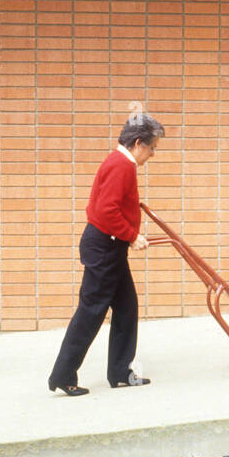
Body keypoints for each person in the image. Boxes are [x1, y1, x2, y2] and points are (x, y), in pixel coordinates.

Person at [48, 113, 164, 396]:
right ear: (138, 143)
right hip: (104, 249)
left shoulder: (119, 163)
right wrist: (131, 236)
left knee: (127, 307)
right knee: (91, 311)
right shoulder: (121, 165)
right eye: (152, 148)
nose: (152, 154)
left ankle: (120, 372)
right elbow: (105, 211)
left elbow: (109, 205)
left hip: (109, 247)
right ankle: (62, 375)